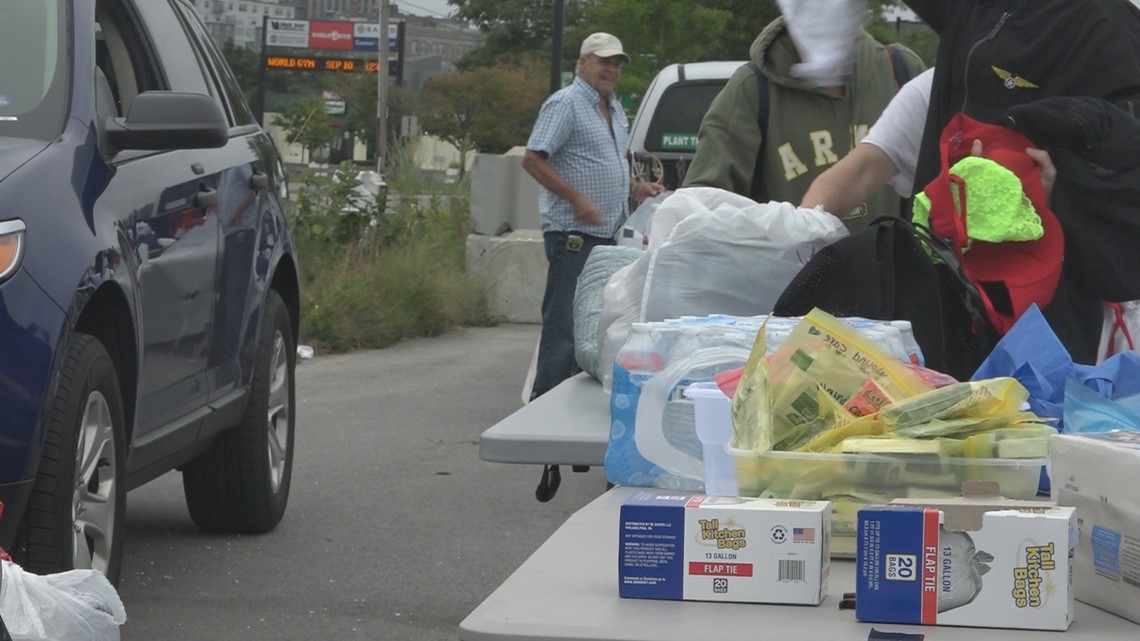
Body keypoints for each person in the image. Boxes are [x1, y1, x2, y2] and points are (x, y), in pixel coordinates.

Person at [681, 10, 925, 232]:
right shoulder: (752, 91)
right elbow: (697, 216)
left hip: (889, 277)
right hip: (790, 278)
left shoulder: (901, 74)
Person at [521, 32, 663, 402]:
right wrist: (576, 199)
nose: (611, 70)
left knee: (594, 324)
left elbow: (604, 165)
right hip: (574, 234)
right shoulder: (565, 104)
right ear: (582, 62)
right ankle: (546, 402)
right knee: (565, 322)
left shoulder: (614, 109)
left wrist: (637, 189)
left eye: (616, 64)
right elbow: (533, 159)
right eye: (604, 61)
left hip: (609, 235)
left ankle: (575, 402)